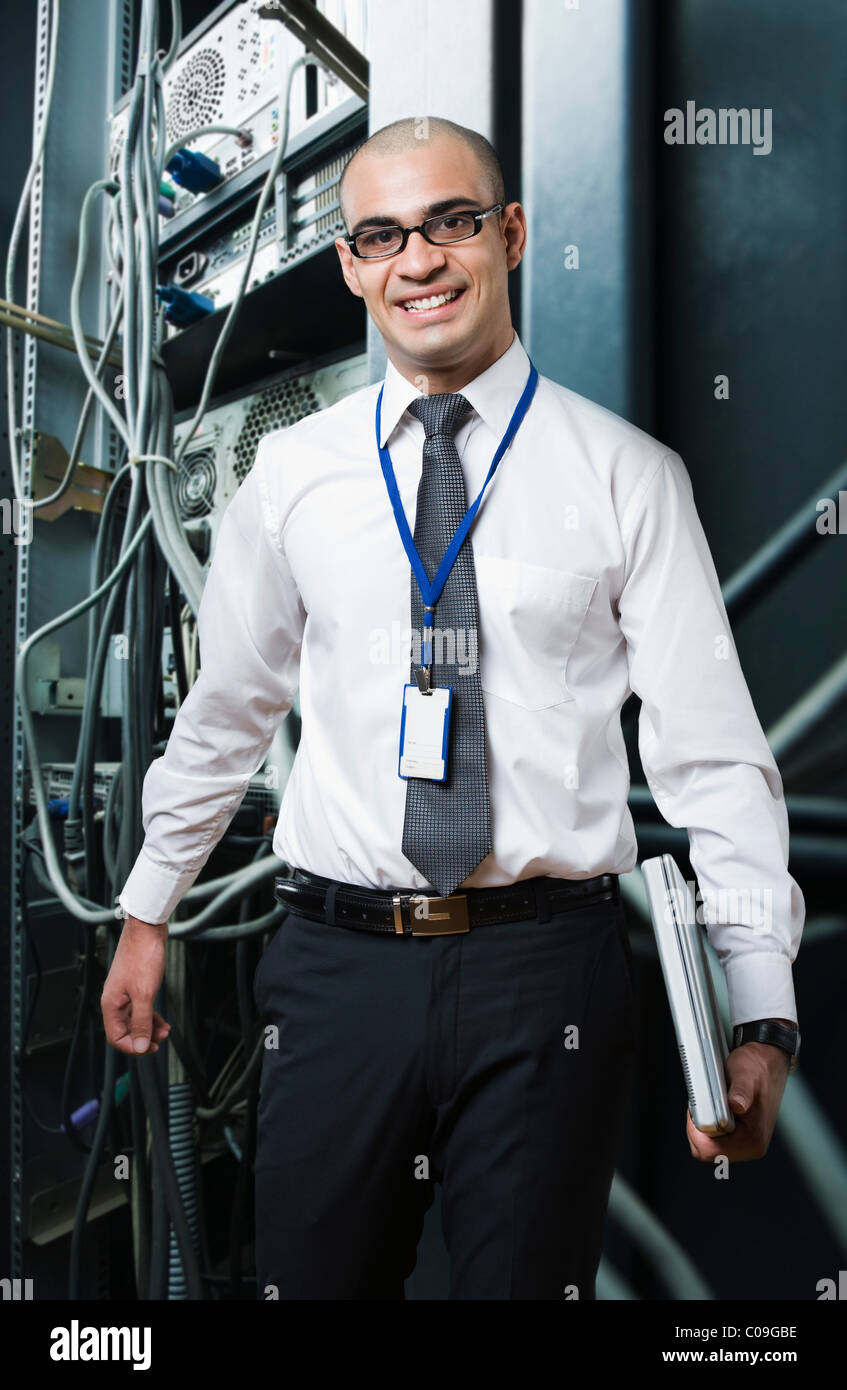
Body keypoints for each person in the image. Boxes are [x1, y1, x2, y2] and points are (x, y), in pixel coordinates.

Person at [103, 116, 804, 1300]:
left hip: (545, 976)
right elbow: (227, 706)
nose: (417, 260)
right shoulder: (294, 478)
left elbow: (714, 760)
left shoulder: (627, 475)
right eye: (381, 235)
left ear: (512, 234)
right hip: (334, 972)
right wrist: (146, 905)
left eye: (451, 222)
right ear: (349, 265)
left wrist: (761, 1008)